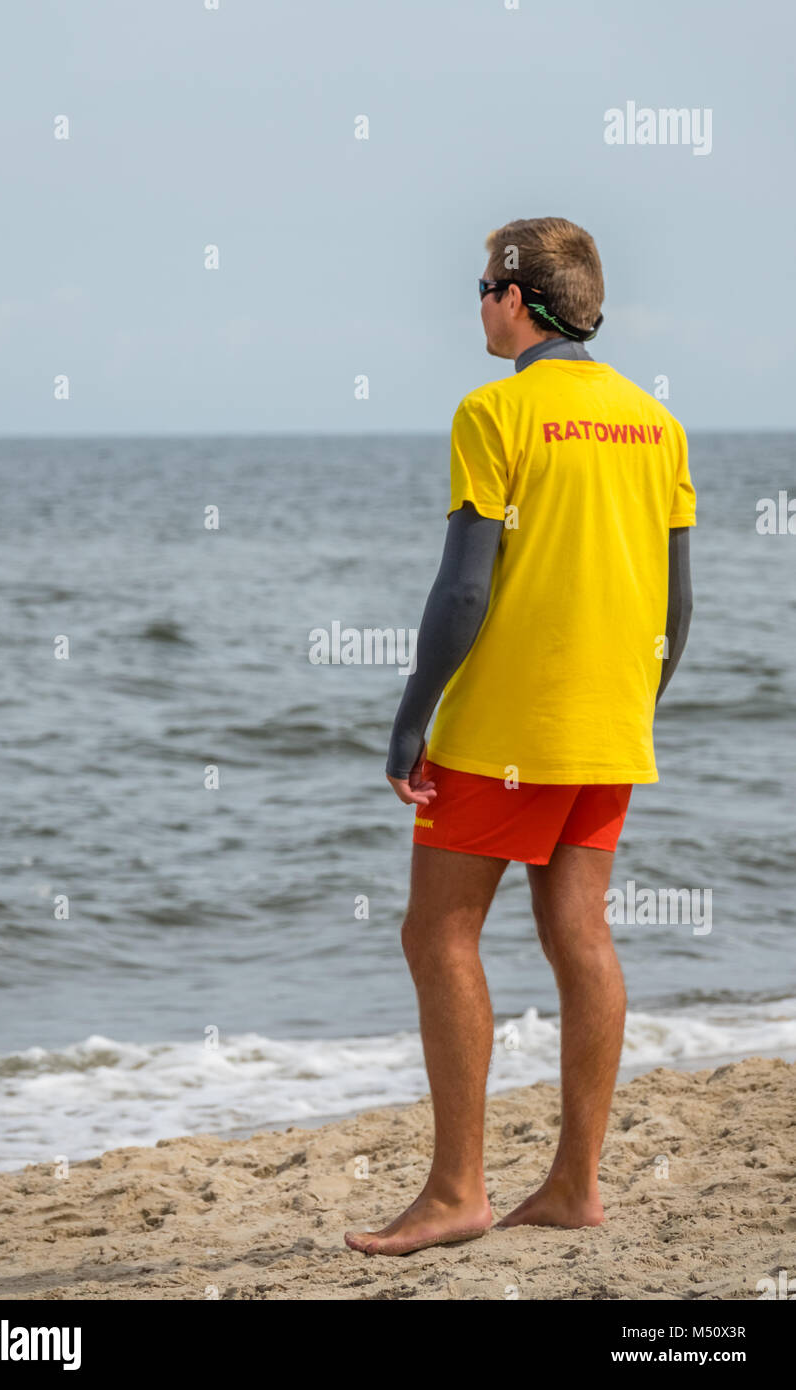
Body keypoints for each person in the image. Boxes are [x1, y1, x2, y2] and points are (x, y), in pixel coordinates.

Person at [345, 216, 695, 1257]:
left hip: (505, 726)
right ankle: (575, 1184)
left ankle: (457, 1191)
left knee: (437, 935)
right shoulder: (655, 423)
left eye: (481, 290)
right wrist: (631, 702)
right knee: (580, 935)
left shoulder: (493, 412)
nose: (476, 309)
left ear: (514, 299)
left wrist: (410, 720)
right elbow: (677, 606)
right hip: (610, 725)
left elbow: (462, 590)